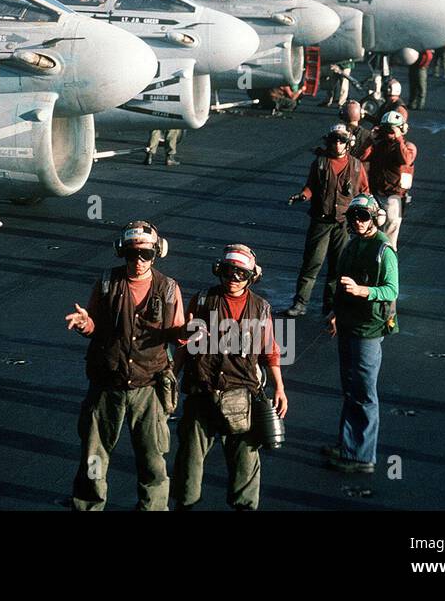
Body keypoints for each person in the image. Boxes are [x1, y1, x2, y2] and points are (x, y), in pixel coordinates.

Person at [65, 221, 187, 510]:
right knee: (94, 456)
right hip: (107, 384)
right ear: (122, 253)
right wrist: (85, 324)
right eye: (132, 254)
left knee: (153, 459)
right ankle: (88, 505)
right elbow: (95, 326)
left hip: (149, 387)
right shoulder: (107, 283)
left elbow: (176, 332)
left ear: (157, 254)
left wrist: (188, 334)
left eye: (145, 254)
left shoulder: (168, 288)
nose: (139, 261)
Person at [173, 244, 287, 510]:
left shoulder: (261, 308)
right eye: (228, 272)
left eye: (241, 274)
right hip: (202, 393)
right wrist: (171, 377)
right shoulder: (202, 300)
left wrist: (279, 388)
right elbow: (183, 343)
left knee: (245, 464)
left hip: (244, 397)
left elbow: (270, 351)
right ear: (219, 271)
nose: (233, 279)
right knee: (189, 461)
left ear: (251, 277)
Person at [323, 194, 398, 474]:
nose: (357, 221)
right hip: (348, 324)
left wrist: (363, 291)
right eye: (354, 216)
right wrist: (334, 313)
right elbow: (341, 285)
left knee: (364, 392)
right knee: (350, 388)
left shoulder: (383, 250)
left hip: (369, 328)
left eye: (363, 216)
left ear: (374, 218)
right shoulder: (353, 245)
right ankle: (348, 445)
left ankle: (363, 456)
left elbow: (392, 290)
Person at [285, 124, 369, 317]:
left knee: (338, 266)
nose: (338, 144)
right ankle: (300, 303)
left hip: (344, 224)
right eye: (334, 140)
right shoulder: (320, 163)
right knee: (312, 263)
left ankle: (330, 305)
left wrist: (364, 211)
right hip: (321, 221)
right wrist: (302, 196)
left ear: (348, 144)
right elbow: (311, 186)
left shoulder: (357, 166)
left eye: (342, 140)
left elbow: (365, 192)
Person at [359, 111, 417, 249]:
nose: (388, 133)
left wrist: (398, 138)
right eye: (386, 129)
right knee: (370, 231)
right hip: (375, 193)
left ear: (402, 129)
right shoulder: (379, 145)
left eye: (391, 129)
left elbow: (406, 160)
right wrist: (370, 139)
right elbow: (360, 157)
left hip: (394, 195)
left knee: (389, 236)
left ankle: (387, 260)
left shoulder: (408, 146)